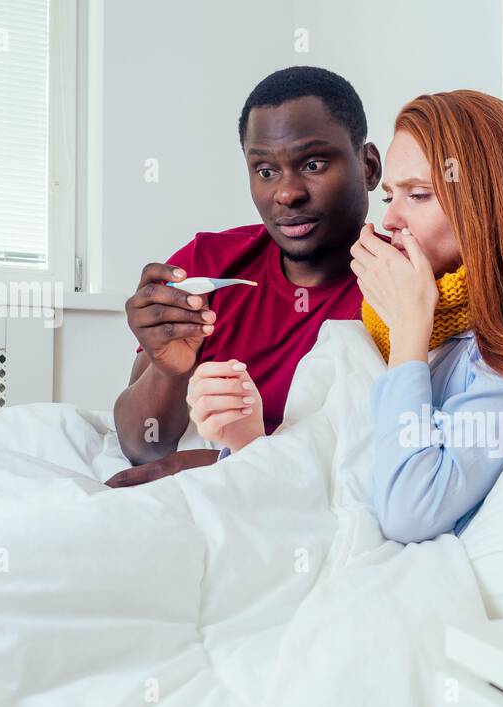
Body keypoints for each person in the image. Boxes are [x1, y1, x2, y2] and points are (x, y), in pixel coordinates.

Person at [188, 90, 503, 543]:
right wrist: (248, 439)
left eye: (418, 195)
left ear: (488, 207)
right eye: (388, 198)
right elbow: (330, 473)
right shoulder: (403, 318)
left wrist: (409, 329)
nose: (391, 220)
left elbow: (409, 512)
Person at [106, 66, 381, 487]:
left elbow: (374, 457)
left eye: (312, 163)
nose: (286, 193)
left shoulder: (396, 286)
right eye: (265, 171)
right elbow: (143, 446)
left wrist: (220, 461)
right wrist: (169, 370)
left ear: (368, 166)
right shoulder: (205, 264)